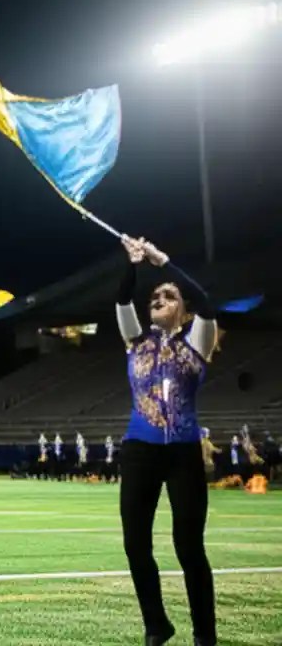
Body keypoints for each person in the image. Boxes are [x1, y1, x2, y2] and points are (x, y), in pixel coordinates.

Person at [115, 235, 218, 645]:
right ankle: (157, 625)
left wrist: (163, 262)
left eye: (168, 295)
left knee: (189, 547)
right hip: (139, 450)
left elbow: (206, 300)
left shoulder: (198, 341)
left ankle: (204, 634)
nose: (158, 297)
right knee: (135, 544)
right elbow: (123, 300)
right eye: (154, 296)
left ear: (183, 310)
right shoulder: (134, 342)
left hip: (182, 453)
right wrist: (133, 264)